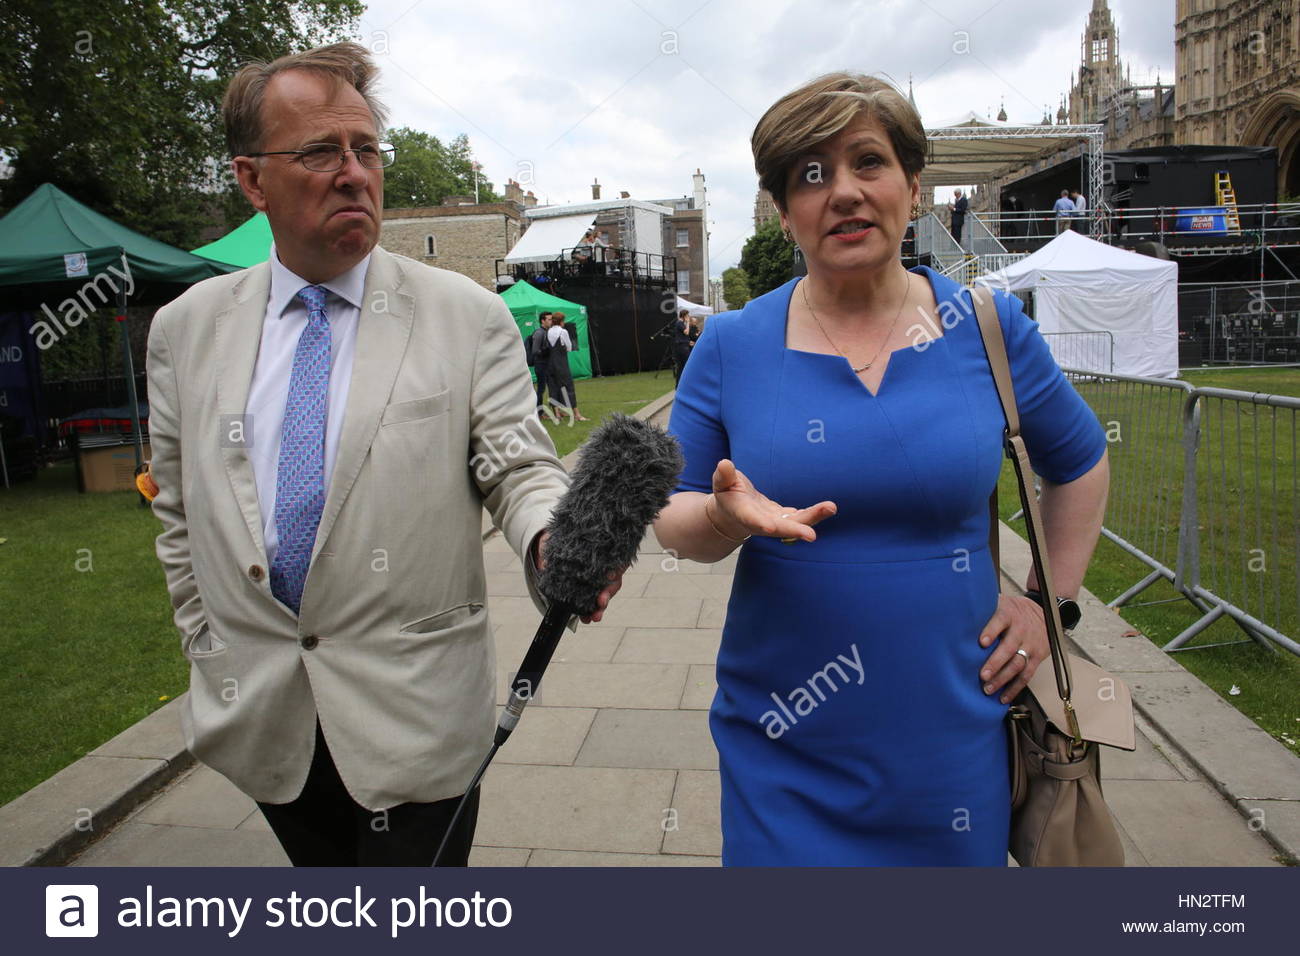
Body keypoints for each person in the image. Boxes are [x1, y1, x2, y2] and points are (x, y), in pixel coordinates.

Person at [145, 42, 623, 867]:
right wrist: (207, 646)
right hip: (262, 725)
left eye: (366, 150)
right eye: (320, 152)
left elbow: (516, 466)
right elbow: (178, 510)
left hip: (420, 726)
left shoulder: (463, 316)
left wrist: (555, 541)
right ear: (252, 179)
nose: (354, 173)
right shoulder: (185, 329)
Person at [655, 71, 1109, 866]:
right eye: (812, 175)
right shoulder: (732, 346)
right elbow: (676, 517)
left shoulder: (987, 329)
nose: (844, 193)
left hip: (953, 751)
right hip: (784, 755)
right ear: (784, 206)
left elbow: (1080, 462)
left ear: (913, 185)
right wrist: (724, 517)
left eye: (869, 162)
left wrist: (1049, 604)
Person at [545, 312, 588, 421]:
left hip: (551, 364)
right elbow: (569, 347)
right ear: (561, 321)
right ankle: (577, 414)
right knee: (569, 387)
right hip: (561, 364)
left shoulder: (549, 331)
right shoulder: (563, 332)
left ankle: (557, 414)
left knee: (553, 388)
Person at [530, 311, 553, 411]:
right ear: (542, 321)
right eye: (549, 319)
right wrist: (546, 350)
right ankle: (539, 411)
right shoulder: (539, 332)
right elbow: (535, 351)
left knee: (553, 387)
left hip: (548, 364)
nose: (551, 321)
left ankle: (556, 410)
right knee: (541, 389)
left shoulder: (548, 332)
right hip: (541, 365)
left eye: (552, 319)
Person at [672, 308, 695, 384]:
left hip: (682, 346)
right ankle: (685, 383)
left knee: (681, 367)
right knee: (686, 365)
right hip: (682, 348)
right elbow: (686, 332)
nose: (689, 317)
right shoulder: (680, 323)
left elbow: (682, 336)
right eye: (688, 315)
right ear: (684, 316)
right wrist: (688, 322)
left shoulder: (680, 323)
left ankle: (679, 385)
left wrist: (689, 342)